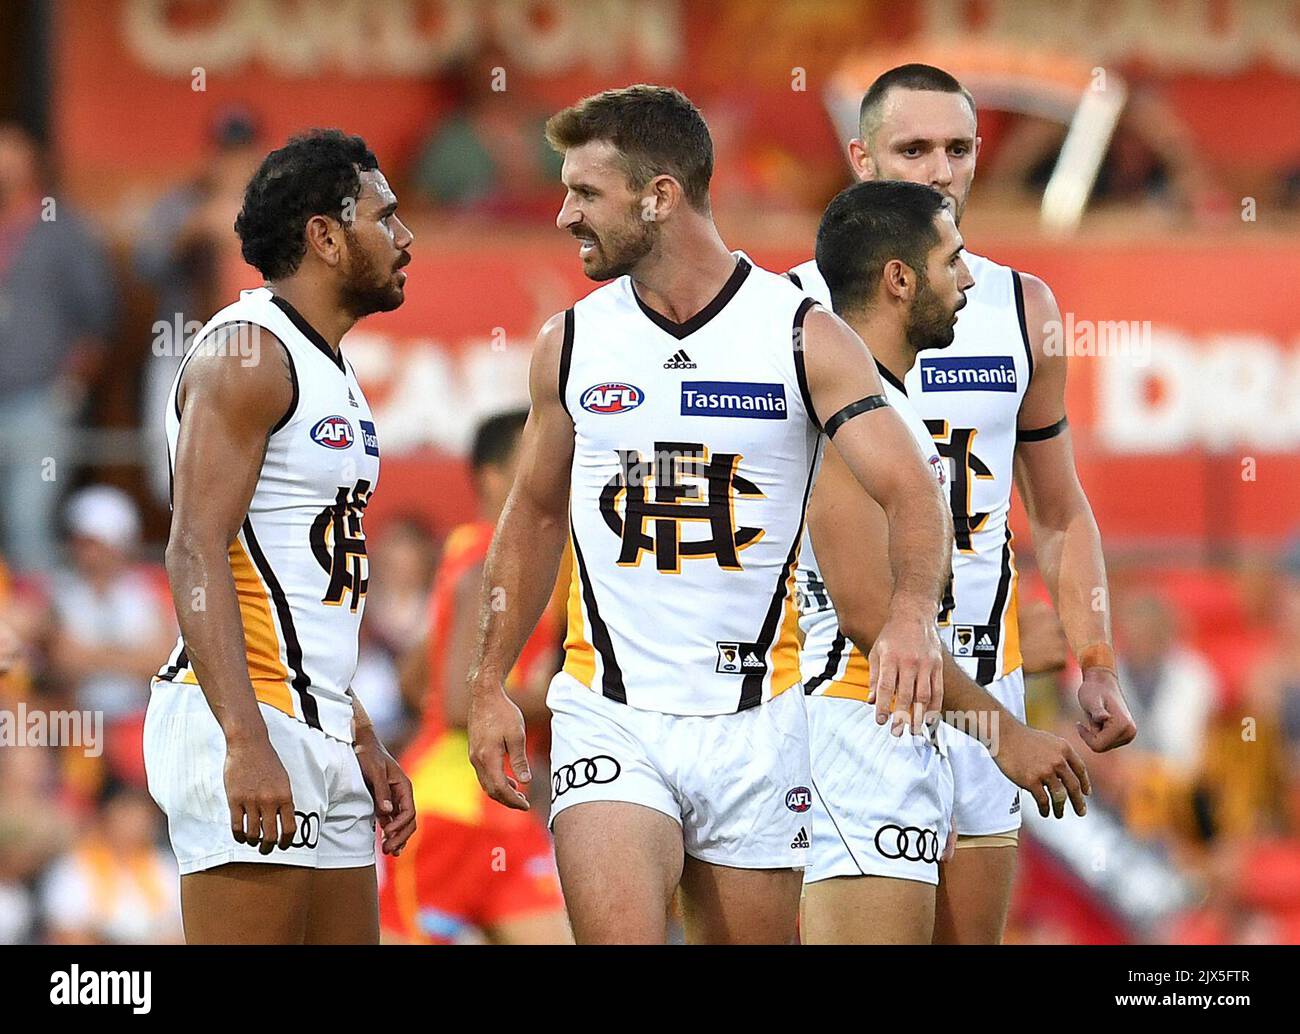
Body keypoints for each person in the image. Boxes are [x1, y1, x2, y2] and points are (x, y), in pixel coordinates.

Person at [466, 85, 952, 945]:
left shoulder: (802, 336)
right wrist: (489, 680)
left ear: (659, 197)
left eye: (585, 193)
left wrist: (913, 613)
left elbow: (913, 491)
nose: (562, 214)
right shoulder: (571, 342)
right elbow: (534, 514)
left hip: (758, 721)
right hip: (610, 710)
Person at [786, 63, 1136, 944]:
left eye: (957, 148)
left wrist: (1094, 654)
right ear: (862, 158)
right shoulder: (790, 307)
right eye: (913, 148)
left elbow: (1057, 513)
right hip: (851, 686)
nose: (938, 170)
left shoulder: (1022, 307)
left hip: (991, 677)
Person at [143, 129, 416, 944]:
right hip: (248, 716)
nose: (405, 239)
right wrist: (245, 739)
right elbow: (193, 549)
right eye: (385, 217)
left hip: (314, 721)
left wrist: (359, 732)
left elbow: (300, 582)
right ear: (325, 236)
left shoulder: (327, 362)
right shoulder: (247, 353)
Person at [380, 410, 570, 944]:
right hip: (452, 814)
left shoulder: (468, 553)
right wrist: (565, 699)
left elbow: (416, 681)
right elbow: (465, 705)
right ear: (492, 478)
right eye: (534, 462)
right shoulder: (493, 559)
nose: (555, 476)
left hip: (500, 814)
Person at [0, 122, 117, 572]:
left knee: (29, 523)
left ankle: (39, 640)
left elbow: (99, 317)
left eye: (13, 155)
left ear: (34, 161)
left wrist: (68, 387)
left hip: (39, 400)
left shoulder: (63, 228)